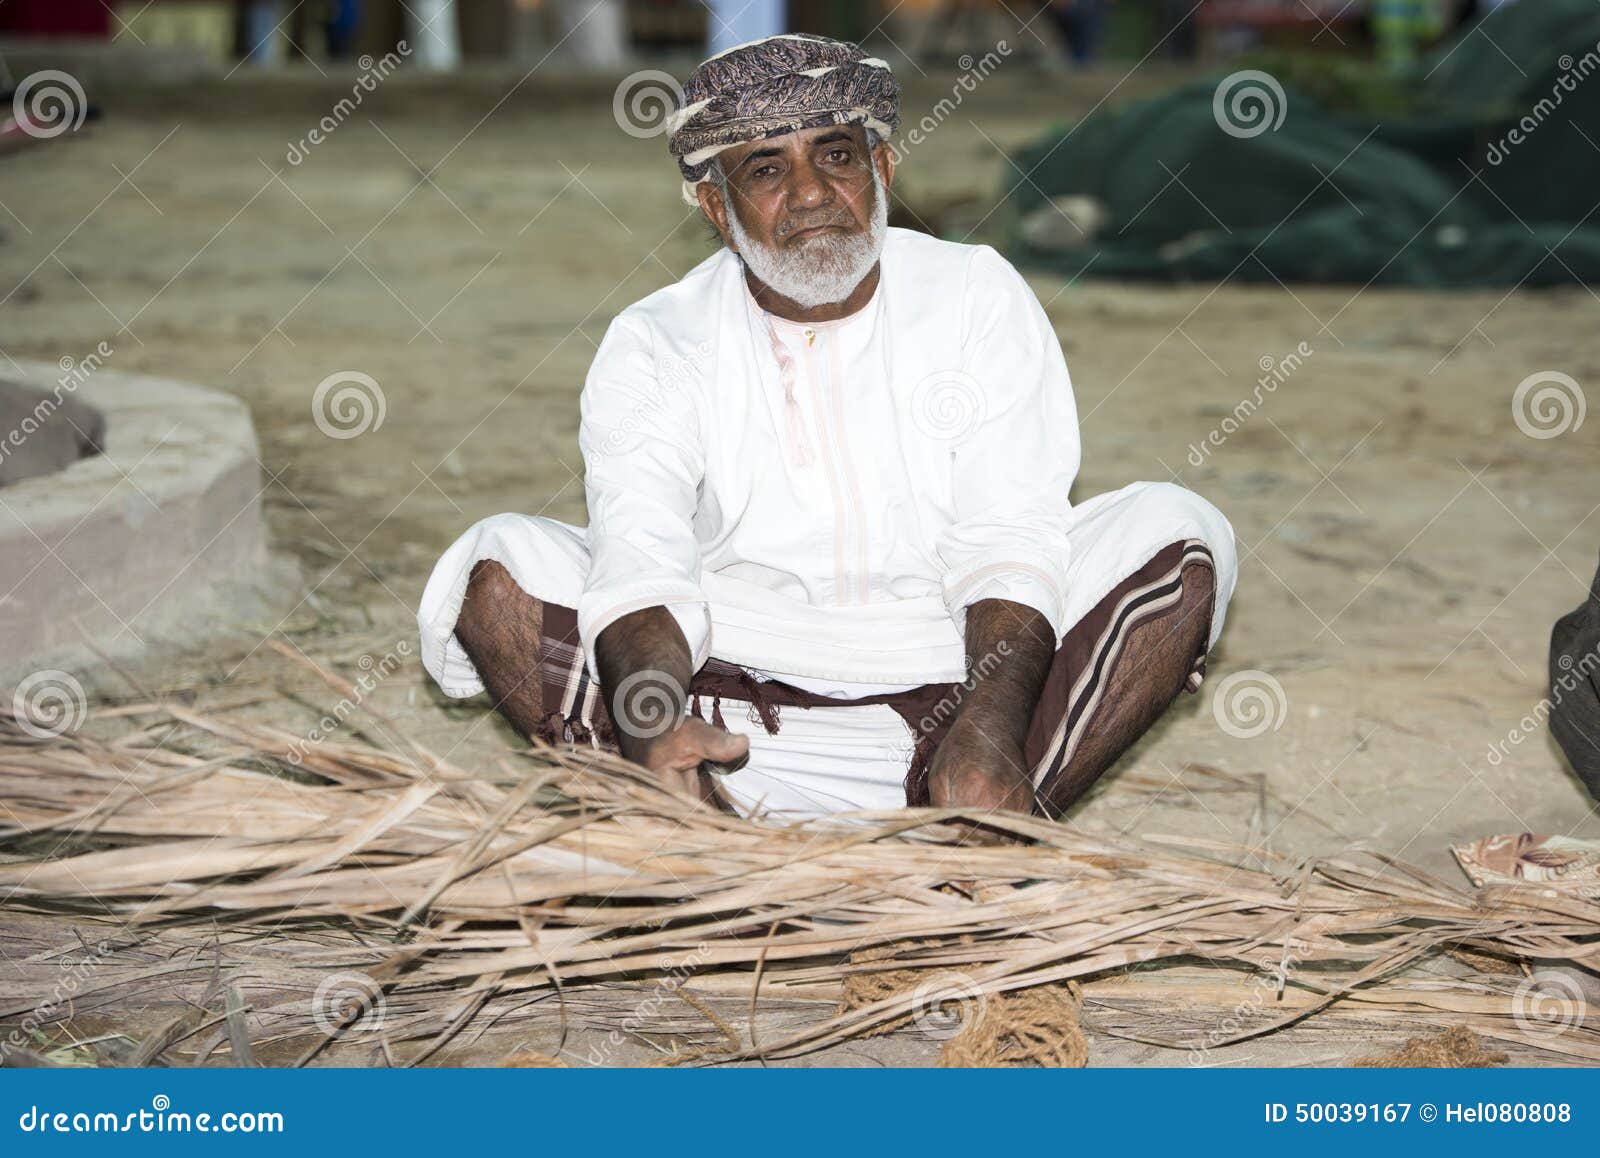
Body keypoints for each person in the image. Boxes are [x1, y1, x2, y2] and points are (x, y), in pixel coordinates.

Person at [418, 33, 1237, 824]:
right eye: (766, 170)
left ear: (880, 167)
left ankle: (978, 826)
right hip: (736, 691)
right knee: (498, 566)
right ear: (715, 206)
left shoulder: (974, 292)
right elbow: (643, 557)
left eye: (836, 156)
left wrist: (988, 724)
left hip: (953, 676)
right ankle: (690, 822)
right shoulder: (657, 337)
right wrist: (653, 717)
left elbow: (1009, 538)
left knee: (1176, 532)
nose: (810, 194)